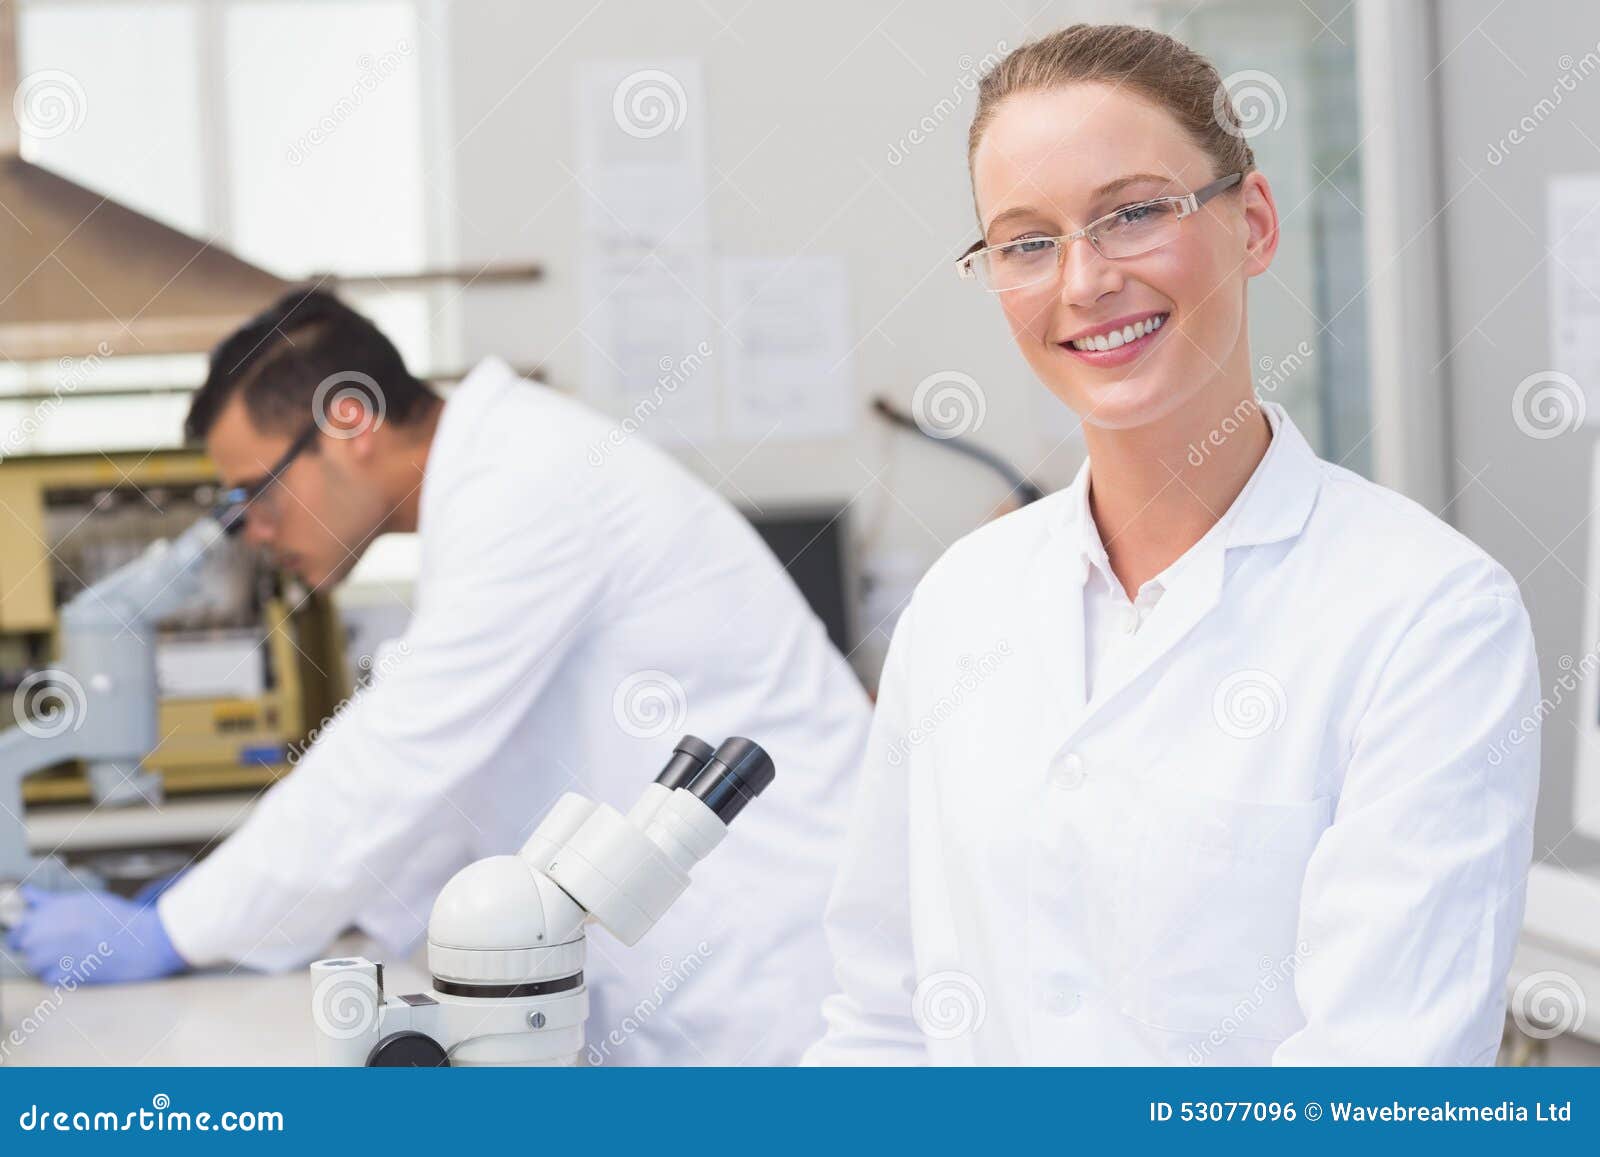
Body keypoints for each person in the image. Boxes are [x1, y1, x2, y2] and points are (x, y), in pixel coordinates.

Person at [804, 24, 1541, 1065]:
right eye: (1026, 240)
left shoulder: (1425, 614)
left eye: (1133, 213)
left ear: (1253, 223)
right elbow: (880, 1024)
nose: (1083, 280)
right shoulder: (964, 601)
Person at [7, 288, 870, 1065]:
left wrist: (177, 927)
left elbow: (397, 756)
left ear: (349, 418)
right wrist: (223, 908)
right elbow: (451, 793)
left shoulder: (530, 479)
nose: (255, 531)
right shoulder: (485, 496)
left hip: (768, 980)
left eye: (253, 494)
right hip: (677, 968)